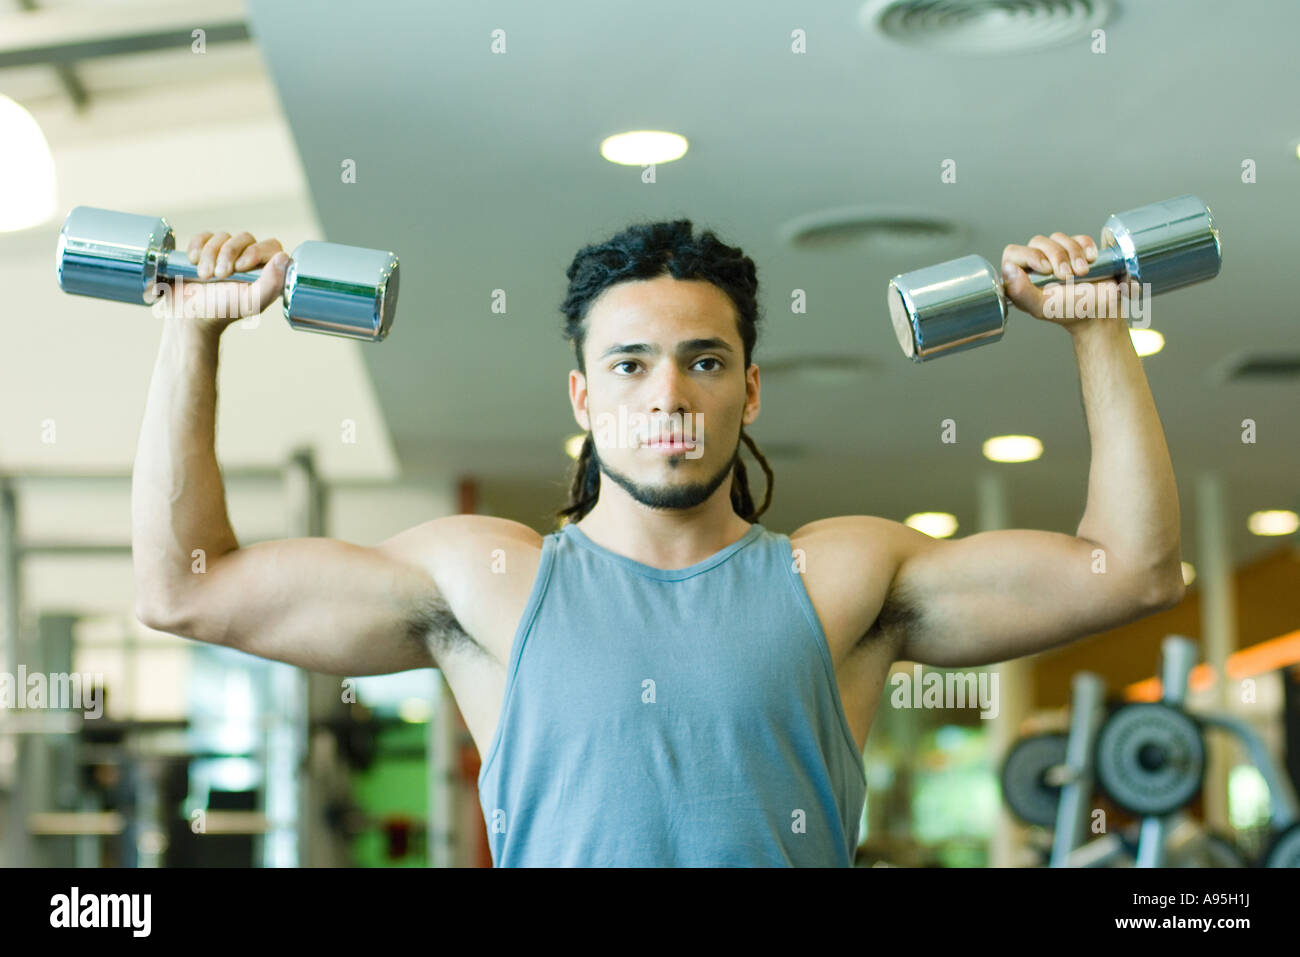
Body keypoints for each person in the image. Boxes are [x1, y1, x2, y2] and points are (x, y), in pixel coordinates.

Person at [132, 219, 1185, 867]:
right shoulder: (488, 581)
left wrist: (1098, 326)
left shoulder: (842, 578)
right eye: (630, 364)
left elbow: (1133, 572)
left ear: (750, 390)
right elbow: (185, 590)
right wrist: (191, 332)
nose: (668, 394)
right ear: (583, 396)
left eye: (704, 361)